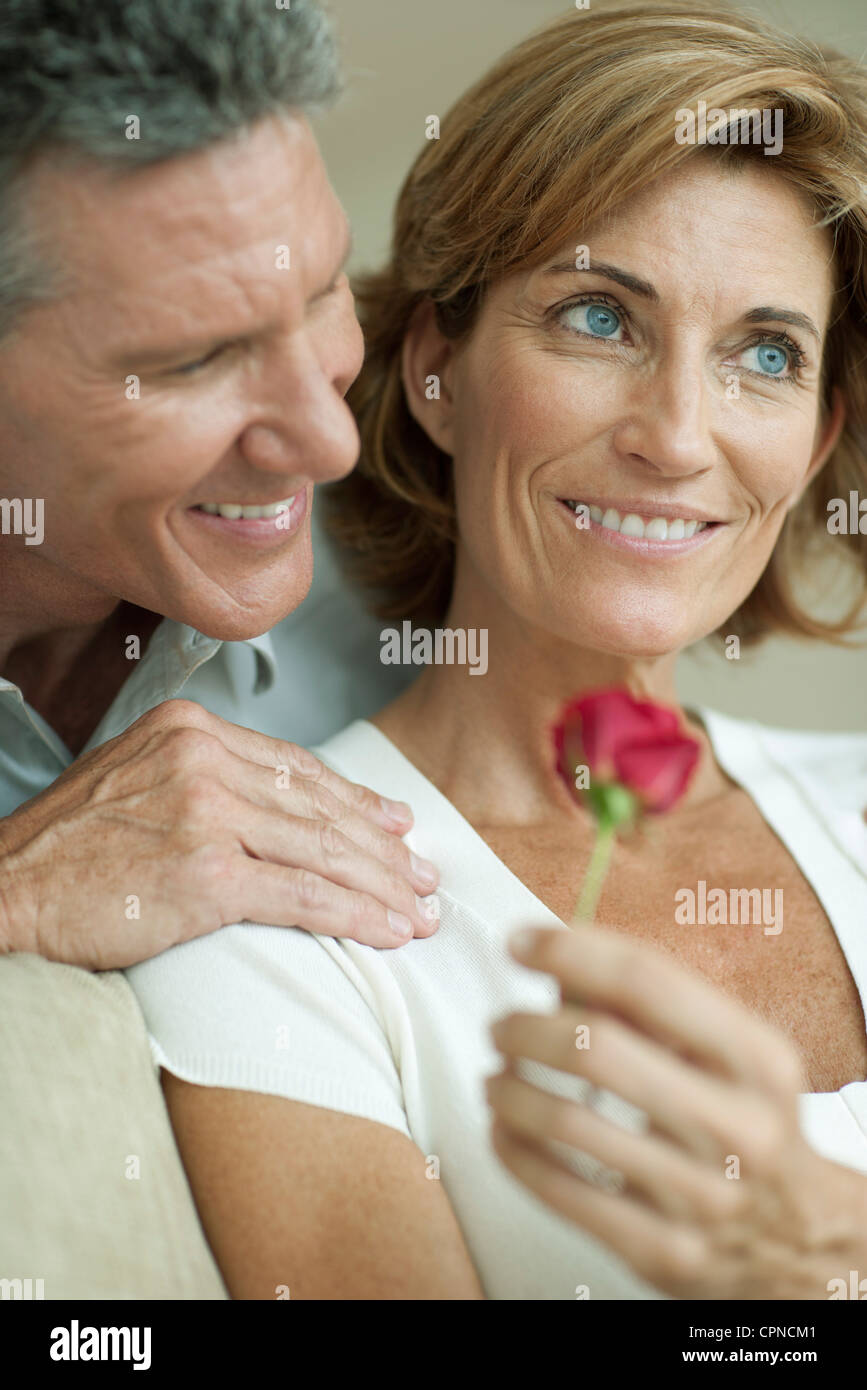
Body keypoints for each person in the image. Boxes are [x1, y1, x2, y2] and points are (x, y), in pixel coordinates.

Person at [128, 2, 867, 1300]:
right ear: (432, 368)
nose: (677, 435)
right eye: (597, 317)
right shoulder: (274, 921)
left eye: (763, 352)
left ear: (810, 441)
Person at [0, 0, 440, 969]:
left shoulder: (423, 567)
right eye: (198, 360)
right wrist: (14, 890)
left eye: (324, 290)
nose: (330, 446)